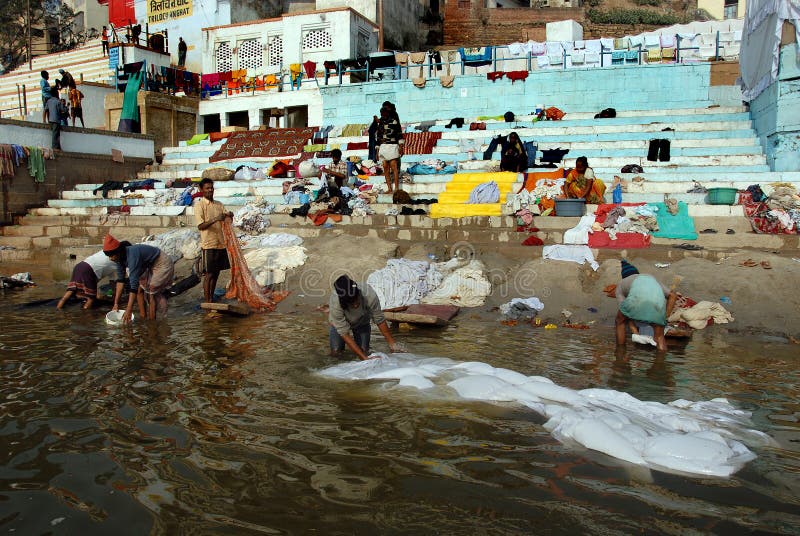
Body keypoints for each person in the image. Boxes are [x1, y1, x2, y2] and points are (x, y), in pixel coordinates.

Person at [103, 234, 175, 323]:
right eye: (109, 256)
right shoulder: (119, 259)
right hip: (149, 266)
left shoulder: (132, 256)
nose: (110, 259)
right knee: (139, 290)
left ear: (118, 252)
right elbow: (120, 281)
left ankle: (152, 323)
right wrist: (116, 303)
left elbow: (133, 285)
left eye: (111, 256)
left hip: (161, 263)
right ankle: (143, 317)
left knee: (151, 293)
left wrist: (129, 310)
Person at [329, 275, 402, 360]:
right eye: (352, 303)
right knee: (336, 353)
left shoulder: (369, 294)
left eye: (356, 300)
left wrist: (392, 344)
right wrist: (364, 358)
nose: (355, 305)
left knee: (364, 351)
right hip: (340, 325)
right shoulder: (335, 302)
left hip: (362, 322)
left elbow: (379, 319)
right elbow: (344, 333)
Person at [615, 260, 678, 352]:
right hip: (658, 304)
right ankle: (661, 361)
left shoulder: (622, 283)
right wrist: (665, 317)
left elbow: (625, 310)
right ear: (637, 273)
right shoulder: (650, 278)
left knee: (619, 321)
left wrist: (634, 330)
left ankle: (620, 352)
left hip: (637, 302)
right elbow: (672, 296)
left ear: (624, 276)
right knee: (659, 336)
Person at [194, 178, 232, 303]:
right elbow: (201, 226)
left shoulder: (219, 204)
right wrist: (215, 219)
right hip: (208, 244)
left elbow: (227, 219)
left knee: (216, 273)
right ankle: (207, 301)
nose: (210, 190)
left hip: (220, 243)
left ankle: (211, 299)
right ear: (201, 190)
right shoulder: (199, 206)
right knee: (209, 274)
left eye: (211, 188)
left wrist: (229, 216)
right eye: (207, 188)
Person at [57, 250, 124, 310]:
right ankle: (86, 316)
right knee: (91, 299)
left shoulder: (108, 251)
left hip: (79, 266)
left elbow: (111, 282)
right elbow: (113, 284)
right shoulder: (118, 262)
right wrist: (115, 300)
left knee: (70, 292)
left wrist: (110, 294)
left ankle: (58, 309)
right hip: (89, 271)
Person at [376, 106, 404, 193]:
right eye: (381, 114)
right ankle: (389, 188)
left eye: (383, 114)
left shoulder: (394, 122)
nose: (382, 115)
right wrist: (377, 150)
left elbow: (399, 135)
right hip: (383, 147)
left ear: (387, 113)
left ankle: (396, 188)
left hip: (392, 146)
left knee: (394, 167)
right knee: (385, 167)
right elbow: (378, 137)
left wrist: (401, 147)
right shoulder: (380, 123)